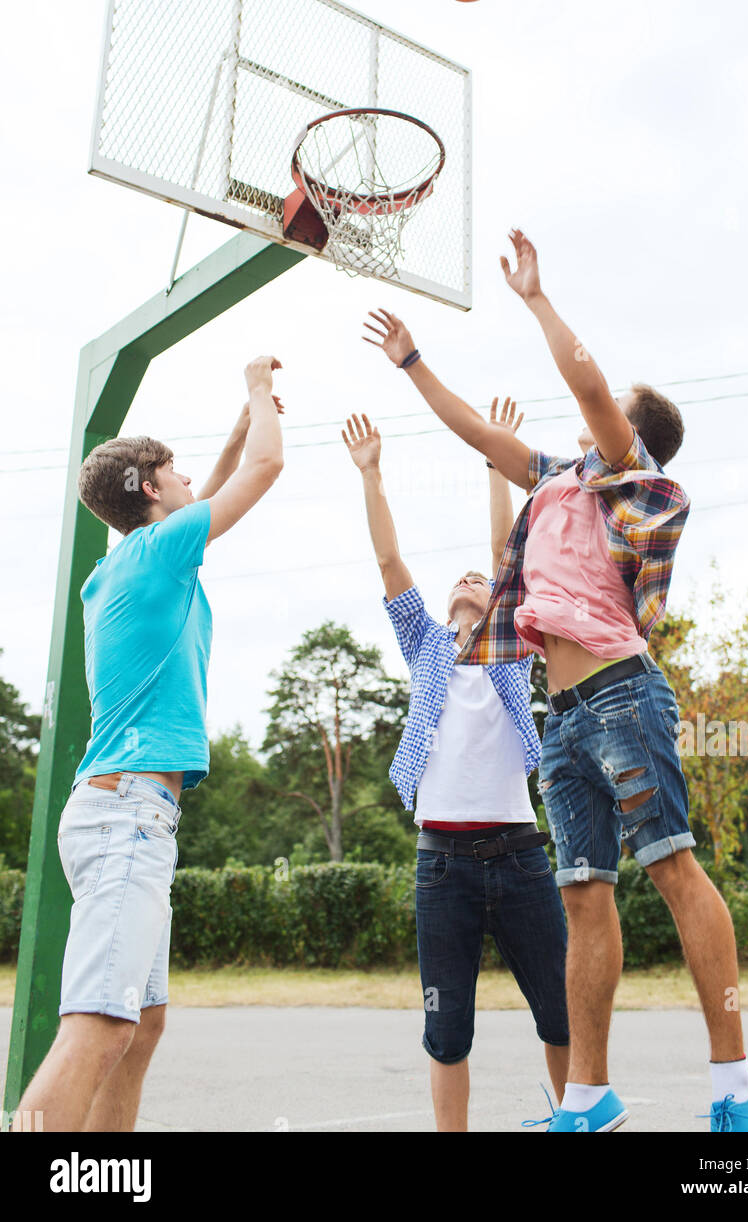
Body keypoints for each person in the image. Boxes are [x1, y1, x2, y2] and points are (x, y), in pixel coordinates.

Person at [361, 231, 748, 1134]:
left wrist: (538, 301)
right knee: (584, 891)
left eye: (606, 408)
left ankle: (735, 1076)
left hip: (623, 692)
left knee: (671, 867)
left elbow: (589, 385)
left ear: (629, 431)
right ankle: (588, 1092)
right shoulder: (553, 484)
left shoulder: (629, 474)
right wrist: (413, 362)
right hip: (567, 711)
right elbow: (478, 433)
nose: (588, 412)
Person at [15, 356, 284, 1132]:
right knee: (102, 1023)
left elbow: (223, 472)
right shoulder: (158, 553)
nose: (192, 478)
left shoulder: (127, 560)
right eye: (175, 471)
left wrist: (239, 418)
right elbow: (265, 466)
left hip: (128, 814)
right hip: (127, 814)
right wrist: (260, 388)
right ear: (147, 491)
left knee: (139, 1026)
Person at [342, 401, 569, 1133]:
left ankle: (576, 1119)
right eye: (462, 580)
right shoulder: (428, 649)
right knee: (446, 1029)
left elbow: (508, 551)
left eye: (483, 578)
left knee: (560, 1009)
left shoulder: (510, 645)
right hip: (442, 864)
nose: (474, 578)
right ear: (444, 609)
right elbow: (388, 562)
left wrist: (493, 462)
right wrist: (372, 475)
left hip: (520, 855)